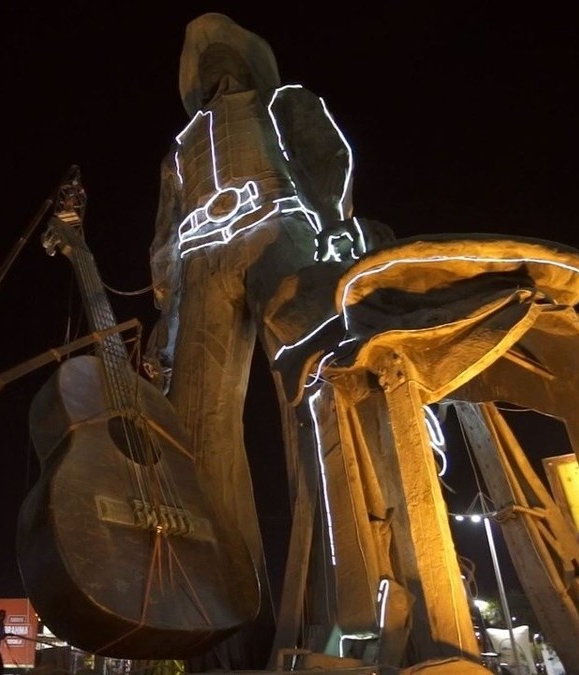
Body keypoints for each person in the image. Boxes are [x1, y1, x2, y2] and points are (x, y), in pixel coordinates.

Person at [145, 12, 395, 672]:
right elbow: (165, 232)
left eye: (224, 54)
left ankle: (338, 612)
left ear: (248, 63)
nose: (214, 65)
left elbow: (326, 155)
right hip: (201, 261)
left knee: (315, 387)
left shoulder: (281, 104)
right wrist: (167, 309)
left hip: (278, 227)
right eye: (204, 60)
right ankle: (222, 629)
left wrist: (335, 224)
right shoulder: (179, 149)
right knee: (197, 427)